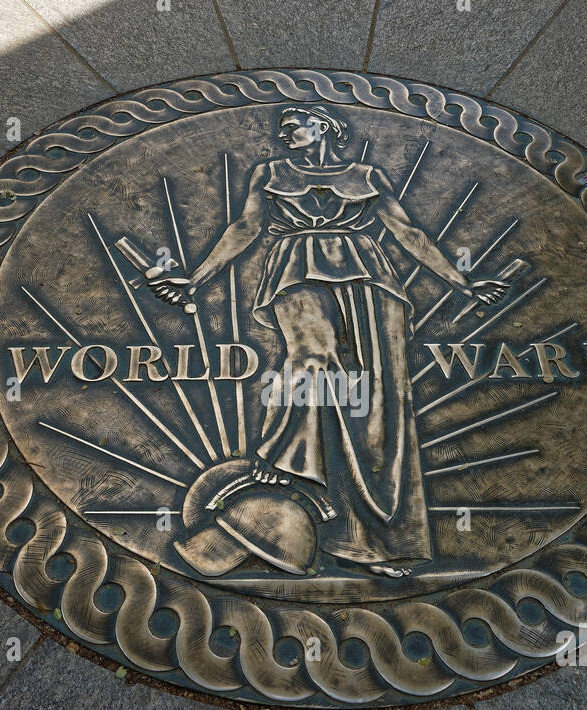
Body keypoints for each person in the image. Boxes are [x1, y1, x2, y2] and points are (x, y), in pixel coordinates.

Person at [151, 105, 507, 577]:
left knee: (379, 408)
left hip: (371, 279)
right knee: (313, 356)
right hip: (296, 268)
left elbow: (410, 233)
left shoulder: (367, 175)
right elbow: (244, 228)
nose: (286, 133)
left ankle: (364, 543)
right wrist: (196, 280)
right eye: (283, 129)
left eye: (294, 125)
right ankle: (285, 455)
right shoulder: (271, 172)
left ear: (324, 126)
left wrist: (461, 284)